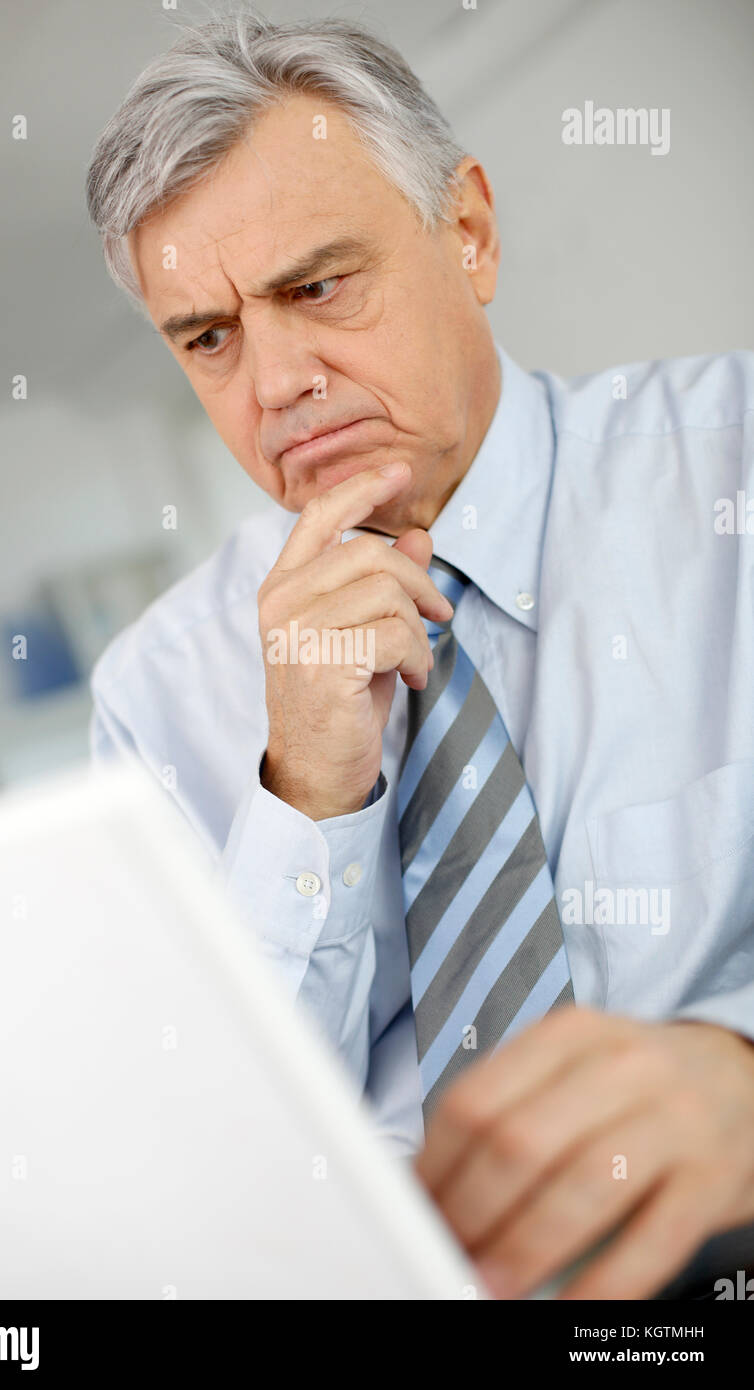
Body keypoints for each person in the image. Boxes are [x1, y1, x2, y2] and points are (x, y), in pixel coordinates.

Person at [84, 11, 754, 1299]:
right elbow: (209, 1169)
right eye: (208, 338)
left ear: (472, 233)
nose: (275, 381)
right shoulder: (157, 694)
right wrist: (304, 794)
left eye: (317, 286)